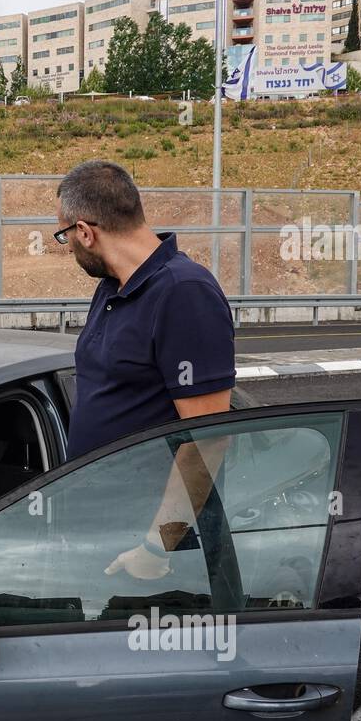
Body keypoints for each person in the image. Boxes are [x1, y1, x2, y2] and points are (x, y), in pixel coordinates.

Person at [54, 159, 235, 580]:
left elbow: (209, 438)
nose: (67, 247)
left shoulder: (183, 292)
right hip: (99, 528)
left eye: (64, 235)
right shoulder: (112, 289)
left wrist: (156, 547)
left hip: (145, 548)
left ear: (85, 231)